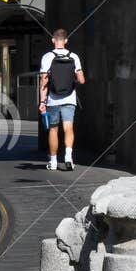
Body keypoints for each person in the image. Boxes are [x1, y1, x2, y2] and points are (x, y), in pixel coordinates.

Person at [39, 28, 85, 171]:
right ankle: (68, 157)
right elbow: (82, 80)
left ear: (53, 40)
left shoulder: (47, 57)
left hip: (53, 98)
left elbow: (43, 81)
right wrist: (73, 80)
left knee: (53, 129)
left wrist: (42, 102)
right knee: (68, 127)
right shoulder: (74, 56)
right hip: (69, 98)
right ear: (66, 41)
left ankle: (53, 162)